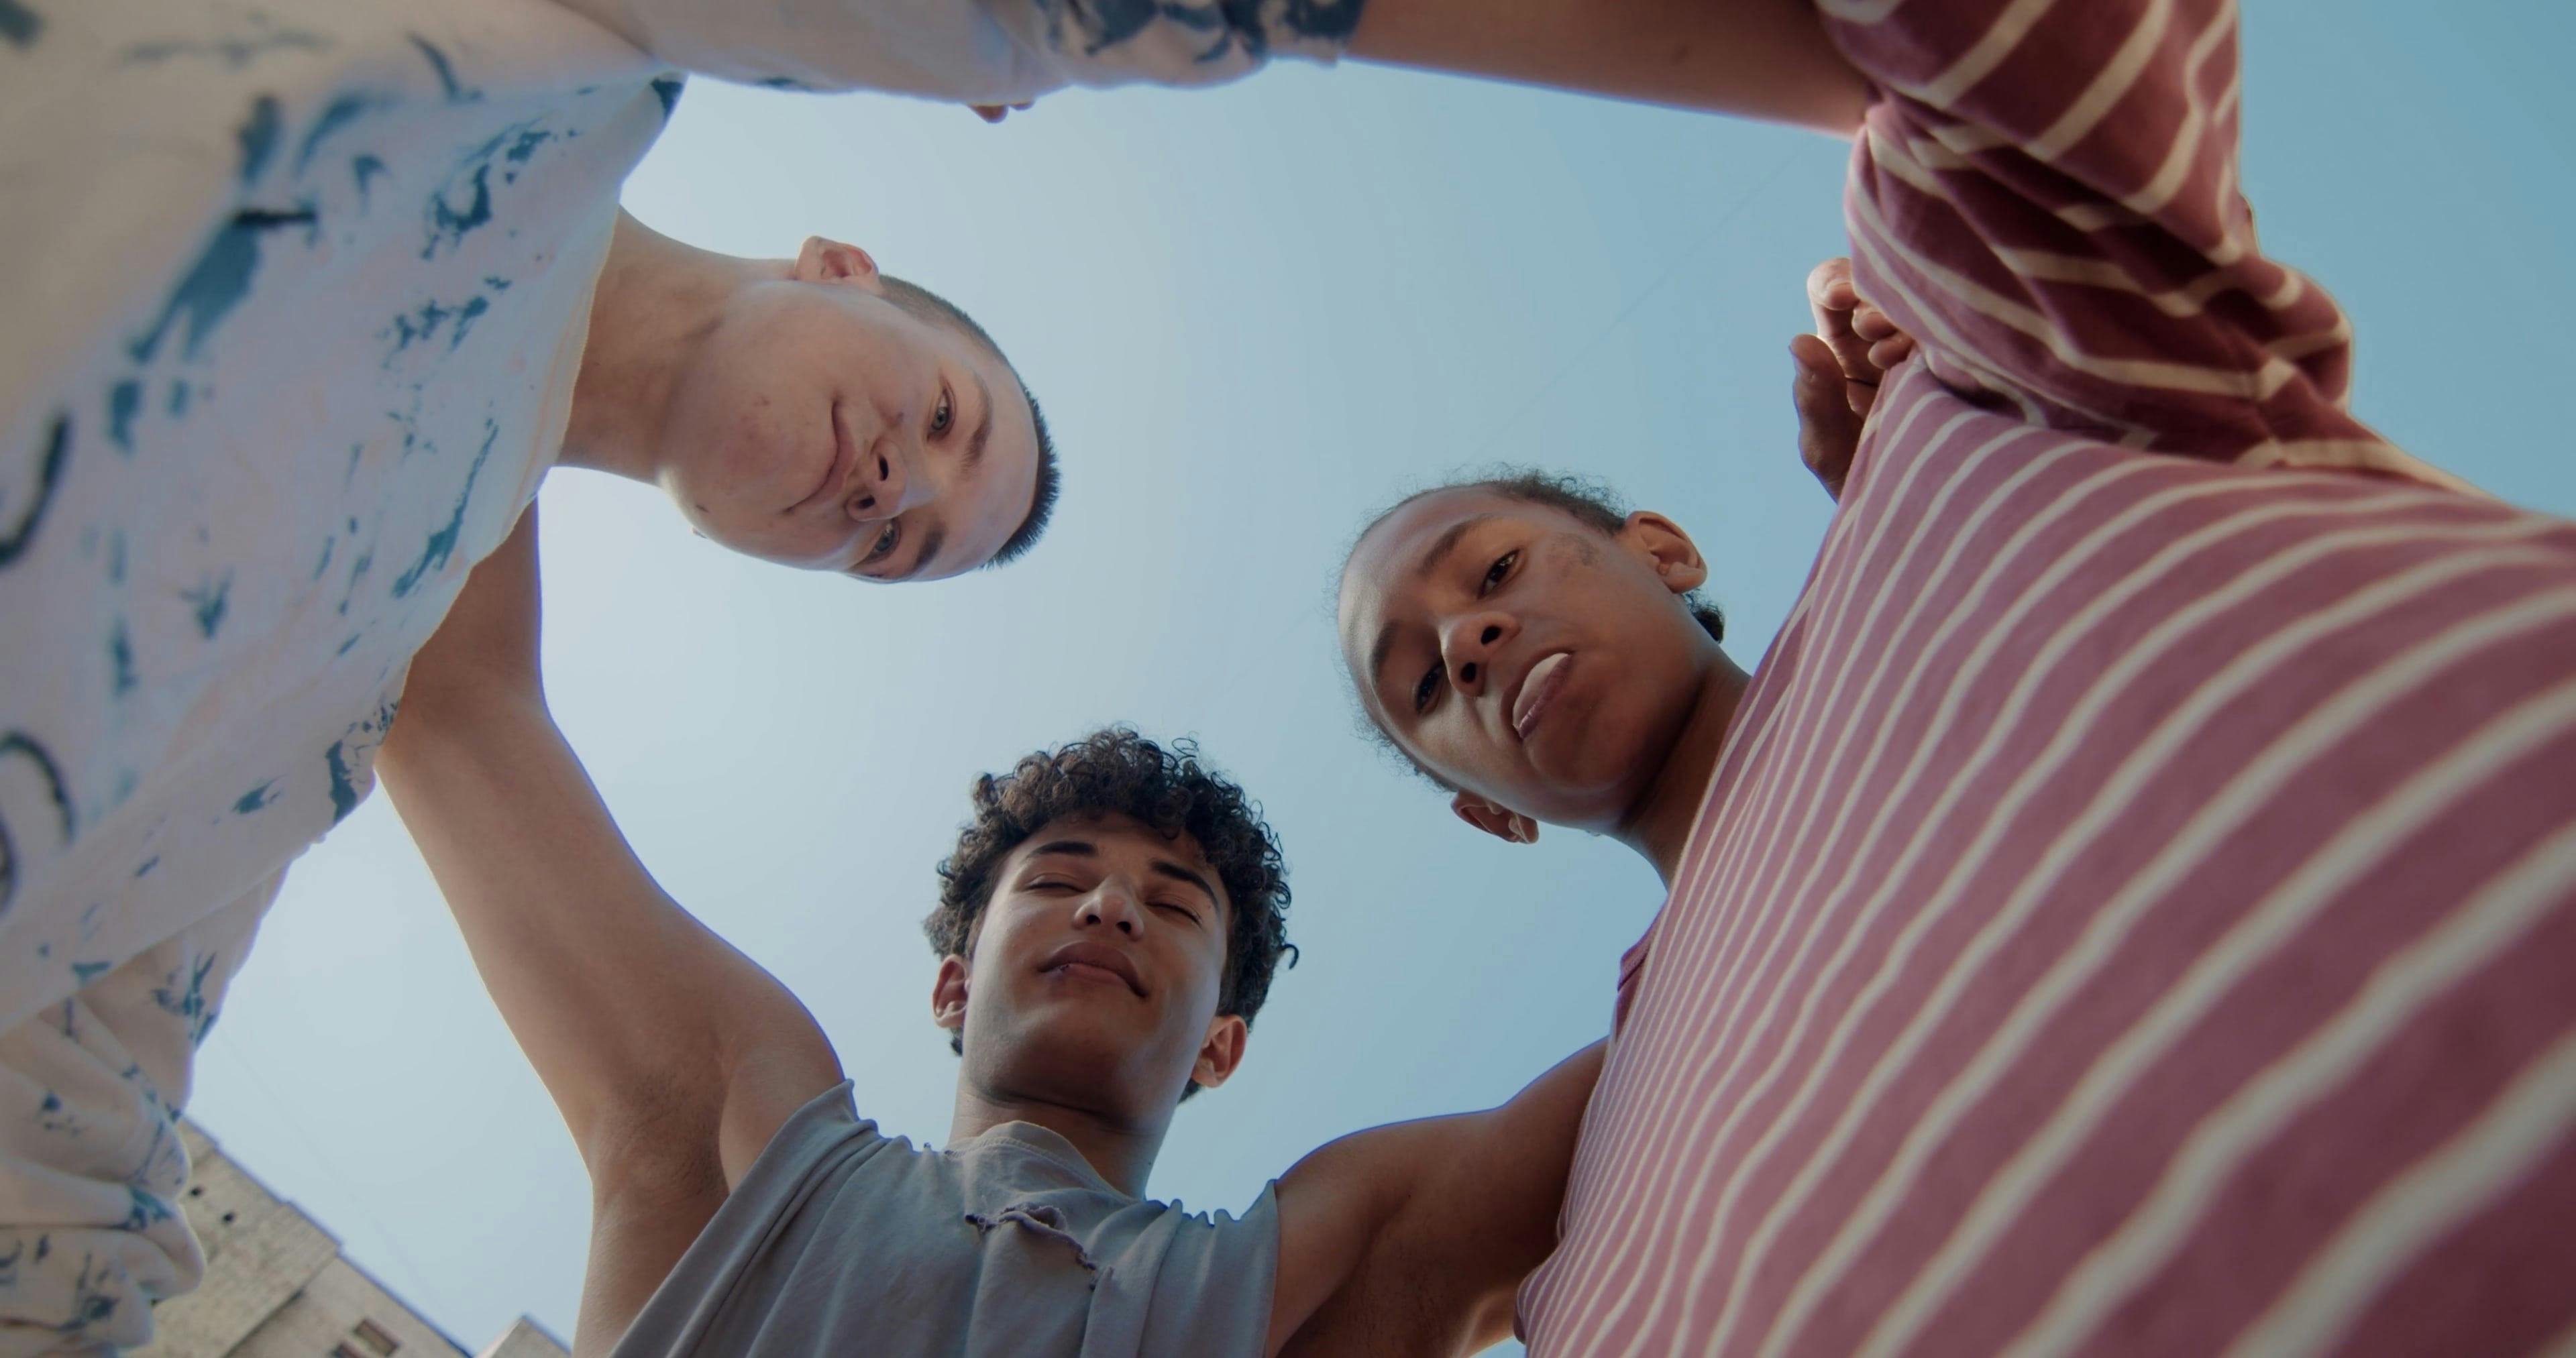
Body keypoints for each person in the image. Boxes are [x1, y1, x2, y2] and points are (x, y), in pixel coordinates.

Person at [0, 0, 1385, 1345]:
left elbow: (64, 1161)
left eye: (902, 545)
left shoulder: (347, 679)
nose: (899, 481)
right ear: (842, 263)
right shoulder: (559, 76)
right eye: (950, 414)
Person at [1335, 1, 2576, 1349]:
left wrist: (1963, 382)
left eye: (1498, 571)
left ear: (1665, 547)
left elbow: (2040, 58)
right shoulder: (1582, 1203)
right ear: (1487, 810)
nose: (1463, 642)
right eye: (1419, 686)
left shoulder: (1981, 441)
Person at [372, 506, 1603, 1357]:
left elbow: (1691, 1048)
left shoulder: (1301, 1275)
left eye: (1173, 906)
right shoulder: (743, 1137)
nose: (1112, 903)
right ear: (953, 987)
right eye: (1061, 878)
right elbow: (456, 703)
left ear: (1220, 1049)